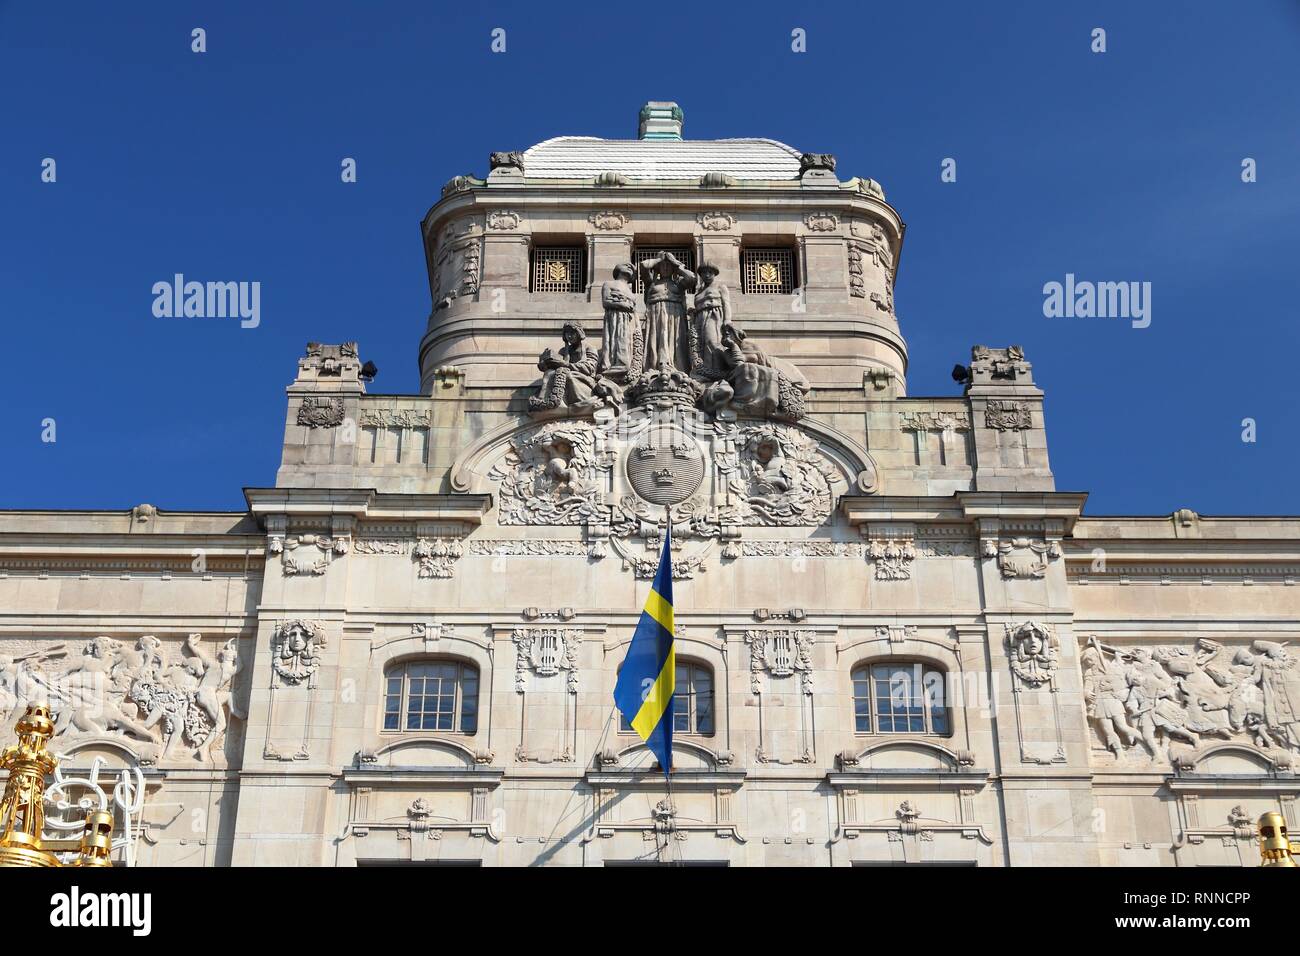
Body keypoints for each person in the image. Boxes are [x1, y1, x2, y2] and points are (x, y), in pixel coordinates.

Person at [639, 251, 696, 373]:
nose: (665, 268)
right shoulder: (651, 283)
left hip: (675, 315)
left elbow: (691, 278)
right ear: (657, 268)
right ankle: (656, 365)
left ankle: (677, 366)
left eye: (668, 265)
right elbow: (643, 266)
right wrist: (659, 259)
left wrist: (676, 265)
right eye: (662, 265)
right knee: (658, 338)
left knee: (675, 341)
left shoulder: (679, 284)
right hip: (656, 314)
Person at [597, 263, 637, 380]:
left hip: (628, 320)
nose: (629, 267)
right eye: (626, 265)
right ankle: (612, 364)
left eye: (632, 268)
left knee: (626, 340)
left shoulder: (631, 292)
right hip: (614, 317)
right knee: (614, 339)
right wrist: (622, 304)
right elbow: (605, 302)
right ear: (617, 269)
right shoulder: (608, 284)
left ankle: (624, 363)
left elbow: (633, 308)